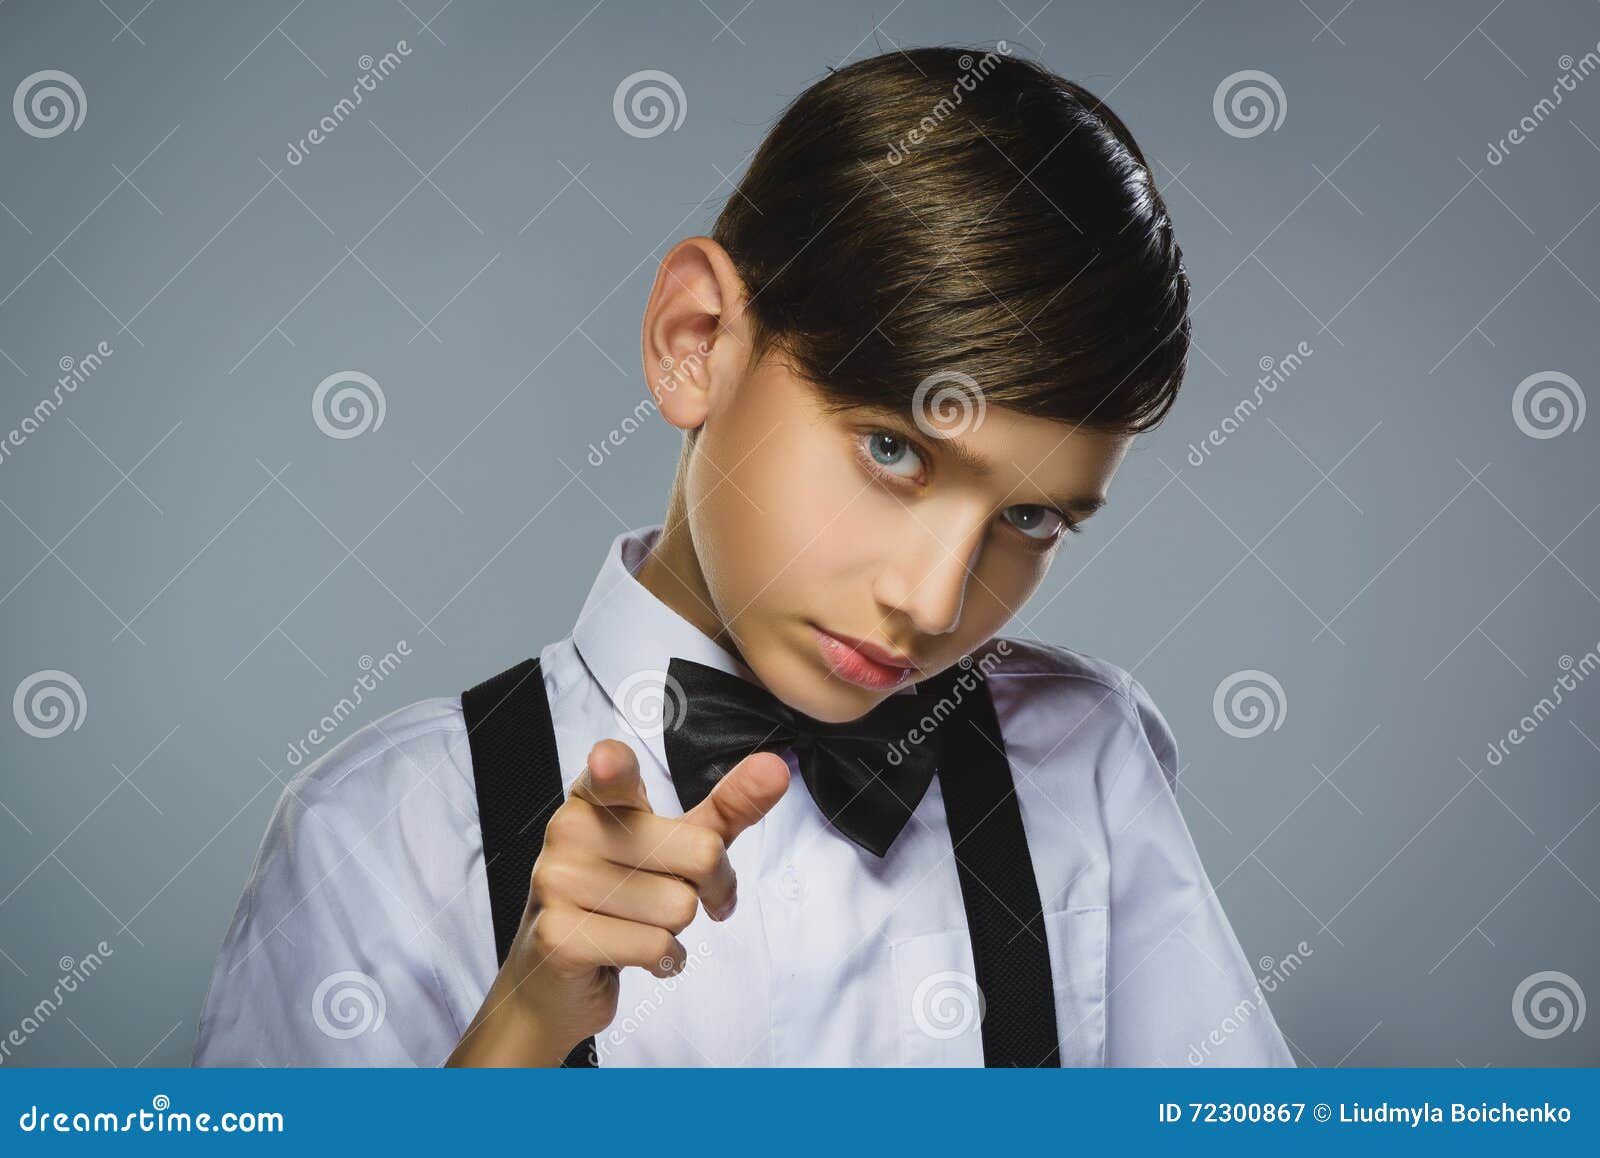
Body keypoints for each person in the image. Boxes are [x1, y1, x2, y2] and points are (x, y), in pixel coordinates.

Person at [192, 46, 1294, 1068]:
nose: (931, 602)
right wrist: (520, 1031)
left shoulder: (1084, 761)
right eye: (894, 451)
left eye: (1031, 520)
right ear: (696, 342)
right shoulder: (381, 836)